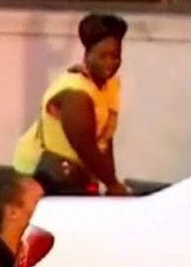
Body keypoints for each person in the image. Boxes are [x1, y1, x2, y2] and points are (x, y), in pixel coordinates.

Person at [12, 13, 131, 195]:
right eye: (103, 56)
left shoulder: (111, 85)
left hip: (75, 173)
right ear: (88, 54)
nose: (110, 63)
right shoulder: (76, 92)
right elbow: (86, 148)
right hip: (42, 174)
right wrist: (112, 183)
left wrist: (111, 181)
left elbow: (106, 139)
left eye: (115, 56)